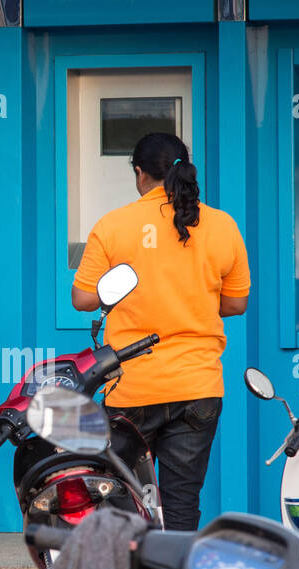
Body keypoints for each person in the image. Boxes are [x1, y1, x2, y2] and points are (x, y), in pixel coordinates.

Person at [70, 132, 250, 532]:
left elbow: (83, 299)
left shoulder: (115, 225)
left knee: (122, 500)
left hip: (132, 388)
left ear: (139, 173)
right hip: (198, 387)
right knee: (182, 502)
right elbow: (236, 304)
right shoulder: (222, 225)